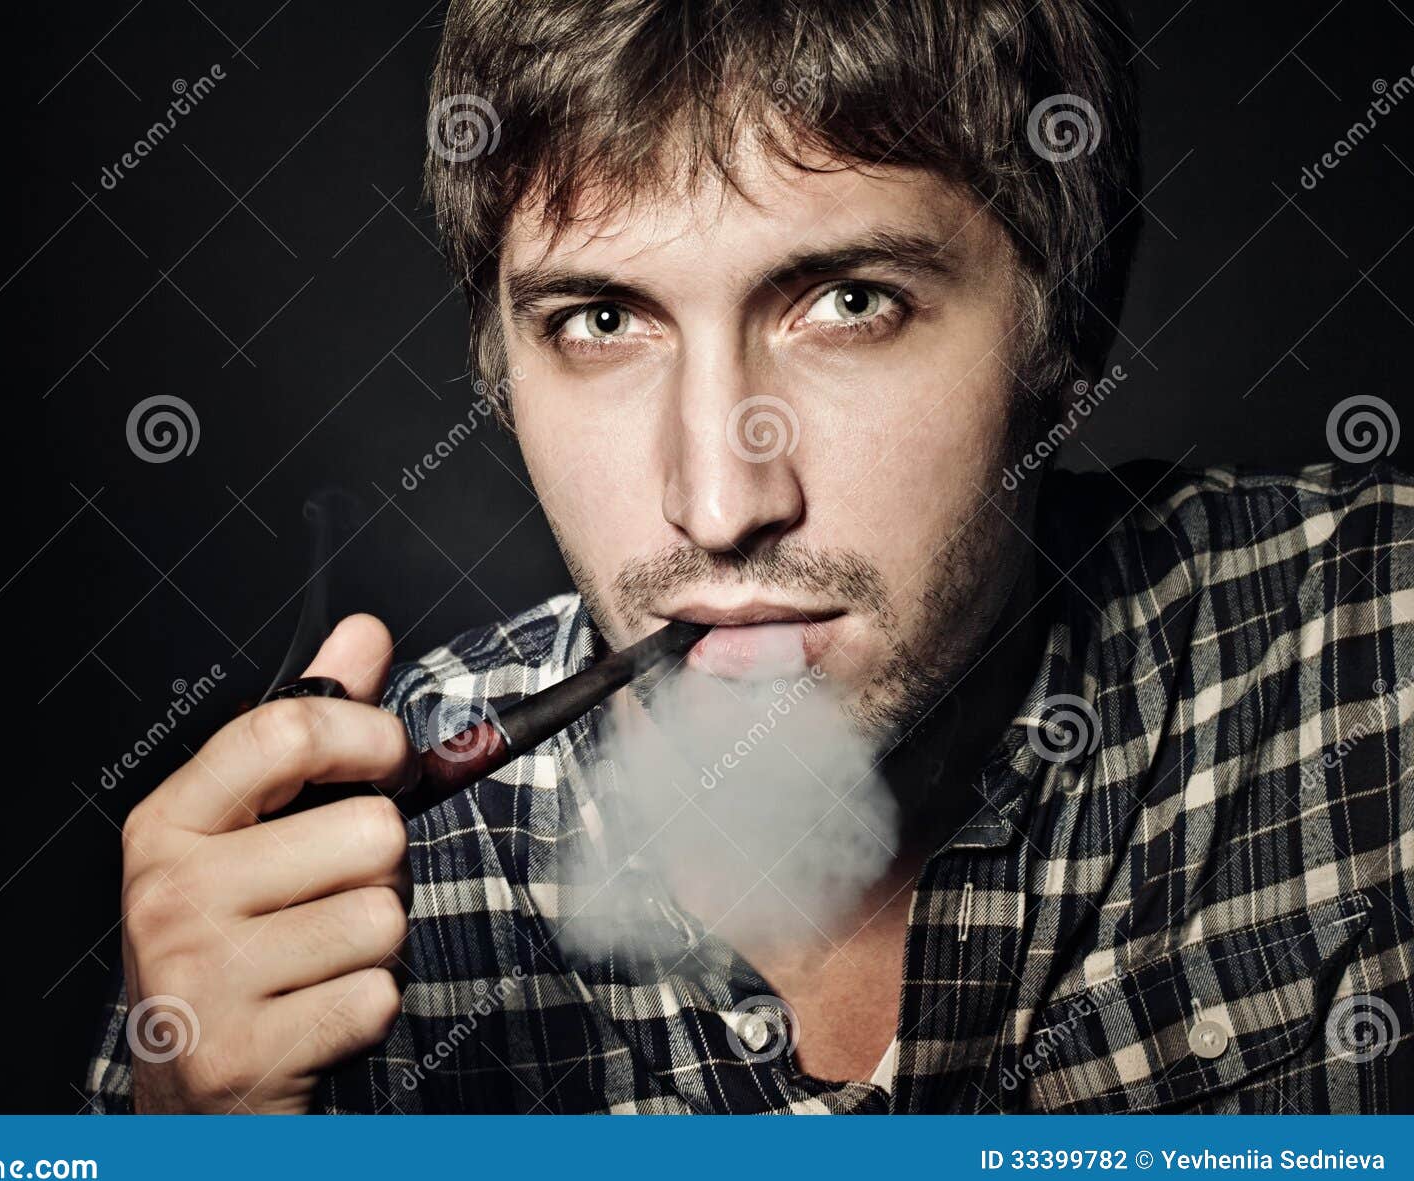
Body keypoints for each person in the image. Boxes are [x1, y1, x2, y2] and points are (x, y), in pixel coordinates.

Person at [86, 0, 1413, 1113]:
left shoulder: (1371, 664)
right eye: (604, 317)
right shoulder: (315, 896)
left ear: (1057, 332)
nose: (720, 505)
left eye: (849, 302)